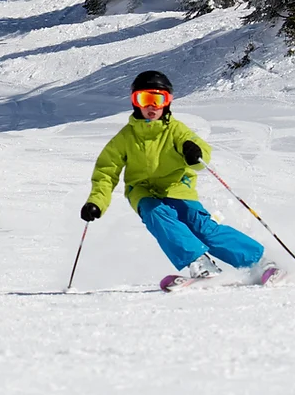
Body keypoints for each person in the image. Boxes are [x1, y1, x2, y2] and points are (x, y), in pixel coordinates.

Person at [78, 70, 280, 289]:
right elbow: (106, 172)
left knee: (202, 226)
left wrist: (193, 151)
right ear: (135, 102)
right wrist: (96, 202)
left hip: (178, 187)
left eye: (158, 99)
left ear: (168, 102)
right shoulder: (125, 138)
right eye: (145, 99)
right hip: (143, 191)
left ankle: (259, 262)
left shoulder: (175, 130)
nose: (152, 106)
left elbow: (200, 149)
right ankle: (200, 263)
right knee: (155, 214)